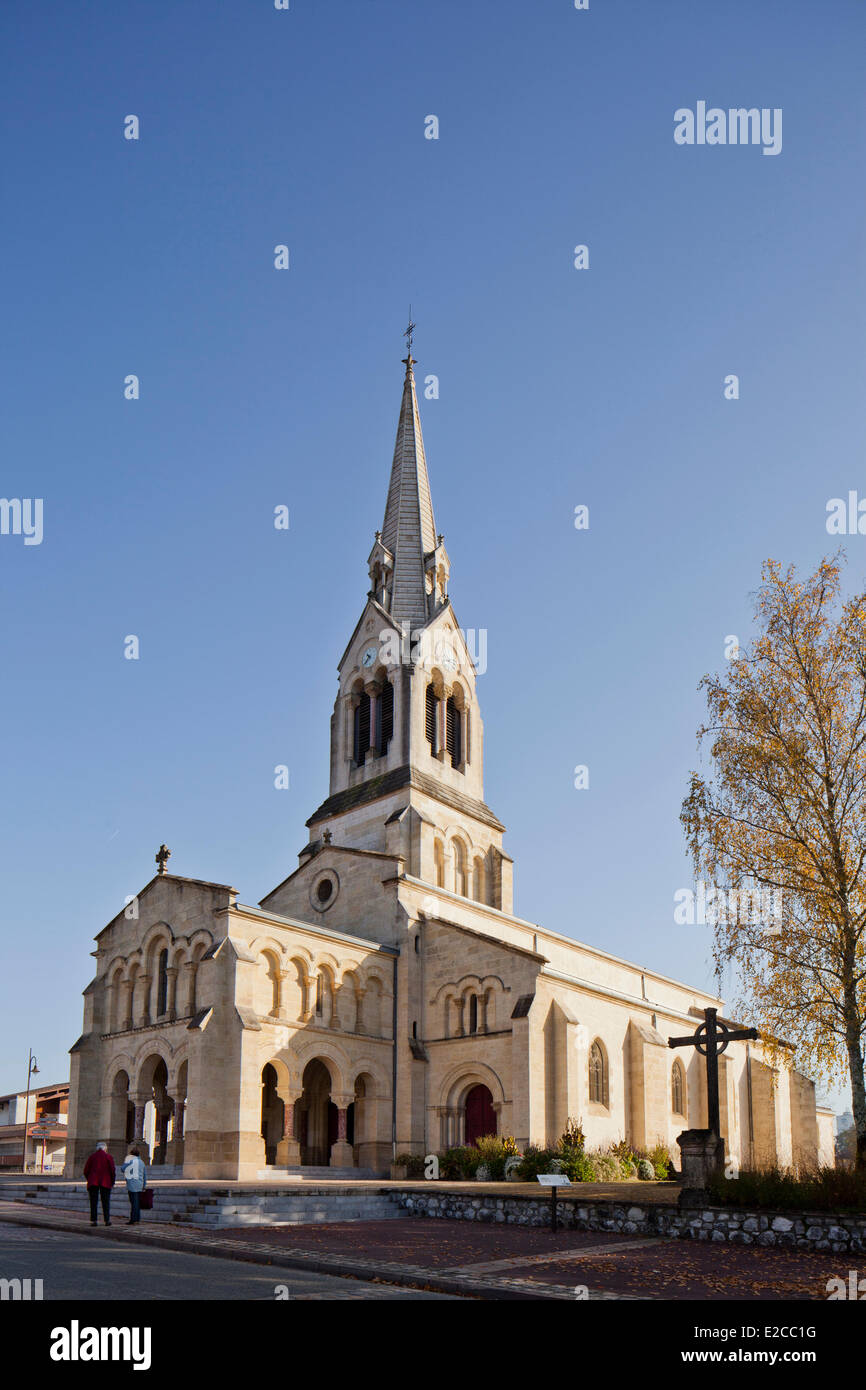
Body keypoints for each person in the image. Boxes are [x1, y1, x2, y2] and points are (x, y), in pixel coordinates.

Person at [83, 1141, 115, 1226]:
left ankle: (94, 1220)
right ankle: (107, 1220)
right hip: (105, 1181)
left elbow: (86, 1170)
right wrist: (112, 1181)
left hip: (93, 1181)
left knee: (93, 1202)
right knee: (106, 1202)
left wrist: (89, 1179)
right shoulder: (108, 1157)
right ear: (105, 1149)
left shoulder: (92, 1157)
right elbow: (112, 1170)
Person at [119, 1145, 146, 1224]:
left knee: (133, 1202)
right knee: (137, 1202)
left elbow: (122, 1169)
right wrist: (144, 1185)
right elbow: (145, 1175)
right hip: (140, 1184)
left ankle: (133, 1219)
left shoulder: (130, 1161)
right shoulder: (142, 1162)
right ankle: (137, 1219)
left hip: (132, 1184)